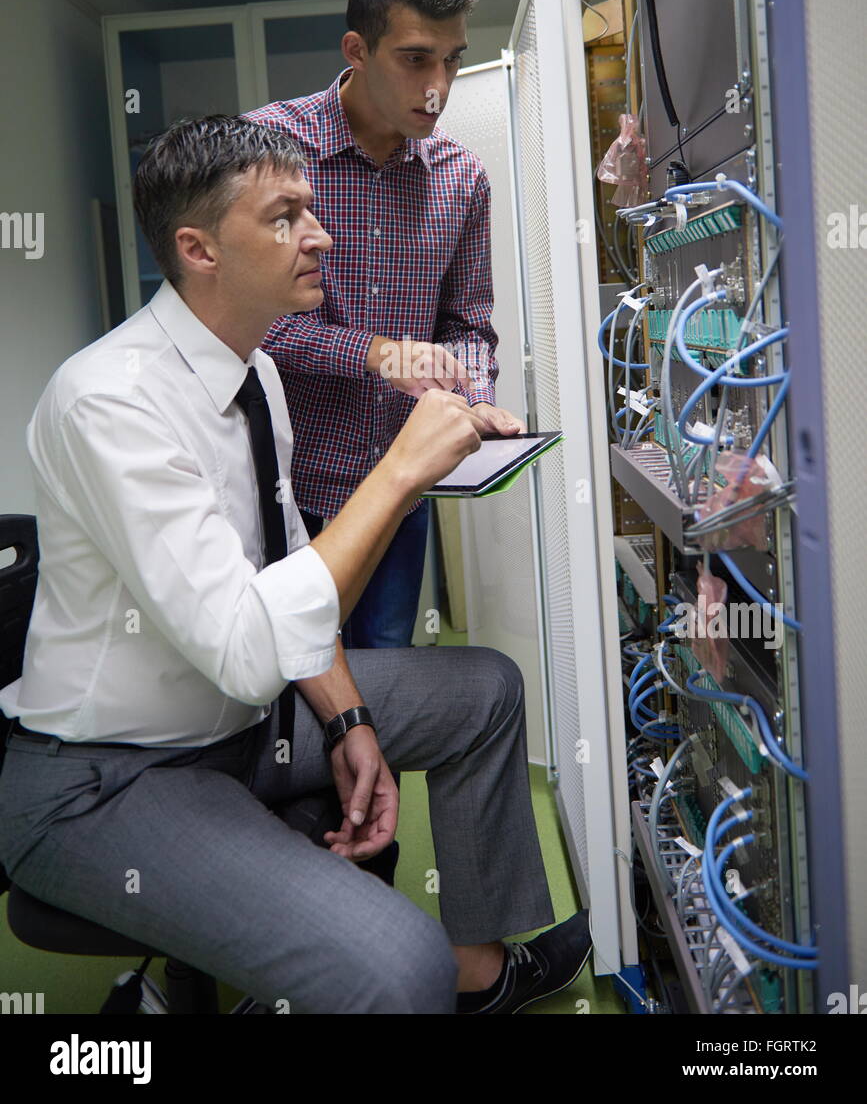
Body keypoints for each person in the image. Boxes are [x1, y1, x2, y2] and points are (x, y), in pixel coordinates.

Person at [0, 117, 591, 1014]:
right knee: (396, 968)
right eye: (284, 218)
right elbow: (245, 647)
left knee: (482, 691)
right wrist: (397, 470)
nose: (318, 235)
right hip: (109, 778)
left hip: (242, 722)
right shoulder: (107, 401)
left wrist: (349, 717)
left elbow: (288, 580)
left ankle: (480, 976)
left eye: (310, 211)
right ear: (198, 248)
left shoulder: (258, 377)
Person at [243, 0, 526, 654]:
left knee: (384, 702)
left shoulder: (462, 179)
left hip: (400, 496)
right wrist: (374, 353)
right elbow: (243, 324)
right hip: (282, 492)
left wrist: (468, 392)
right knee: (282, 699)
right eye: (415, 58)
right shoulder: (267, 150)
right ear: (357, 49)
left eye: (453, 60)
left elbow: (468, 326)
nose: (438, 86)